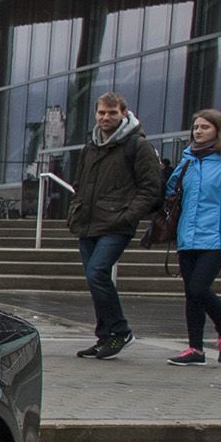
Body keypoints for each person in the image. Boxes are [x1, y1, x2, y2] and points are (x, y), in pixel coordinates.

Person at [63, 91, 163, 359]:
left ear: (123, 114)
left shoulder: (137, 146)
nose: (106, 118)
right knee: (95, 279)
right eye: (101, 113)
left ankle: (120, 330)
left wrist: (127, 215)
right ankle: (105, 336)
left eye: (112, 113)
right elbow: (79, 183)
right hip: (88, 222)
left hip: (116, 223)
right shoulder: (91, 146)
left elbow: (151, 188)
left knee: (97, 272)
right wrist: (76, 208)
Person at [164, 107, 221, 365]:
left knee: (199, 288)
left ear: (218, 130)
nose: (198, 132)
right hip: (187, 237)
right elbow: (173, 192)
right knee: (191, 294)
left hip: (216, 237)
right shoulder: (188, 160)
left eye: (205, 127)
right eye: (196, 127)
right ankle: (195, 349)